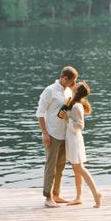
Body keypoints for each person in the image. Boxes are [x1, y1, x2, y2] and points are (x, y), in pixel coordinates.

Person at [36, 66, 78, 208]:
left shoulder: (67, 91)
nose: (74, 83)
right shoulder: (49, 91)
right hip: (52, 134)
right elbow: (40, 113)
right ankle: (48, 197)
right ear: (64, 78)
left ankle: (56, 194)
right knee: (50, 167)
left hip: (64, 135)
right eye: (72, 81)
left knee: (60, 166)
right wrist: (44, 132)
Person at [58, 81, 102, 208]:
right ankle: (78, 197)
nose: (74, 84)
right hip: (71, 139)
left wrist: (67, 119)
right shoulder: (72, 102)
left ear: (78, 90)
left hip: (75, 140)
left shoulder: (77, 106)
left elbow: (80, 126)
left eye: (77, 85)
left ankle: (96, 194)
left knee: (80, 169)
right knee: (76, 169)